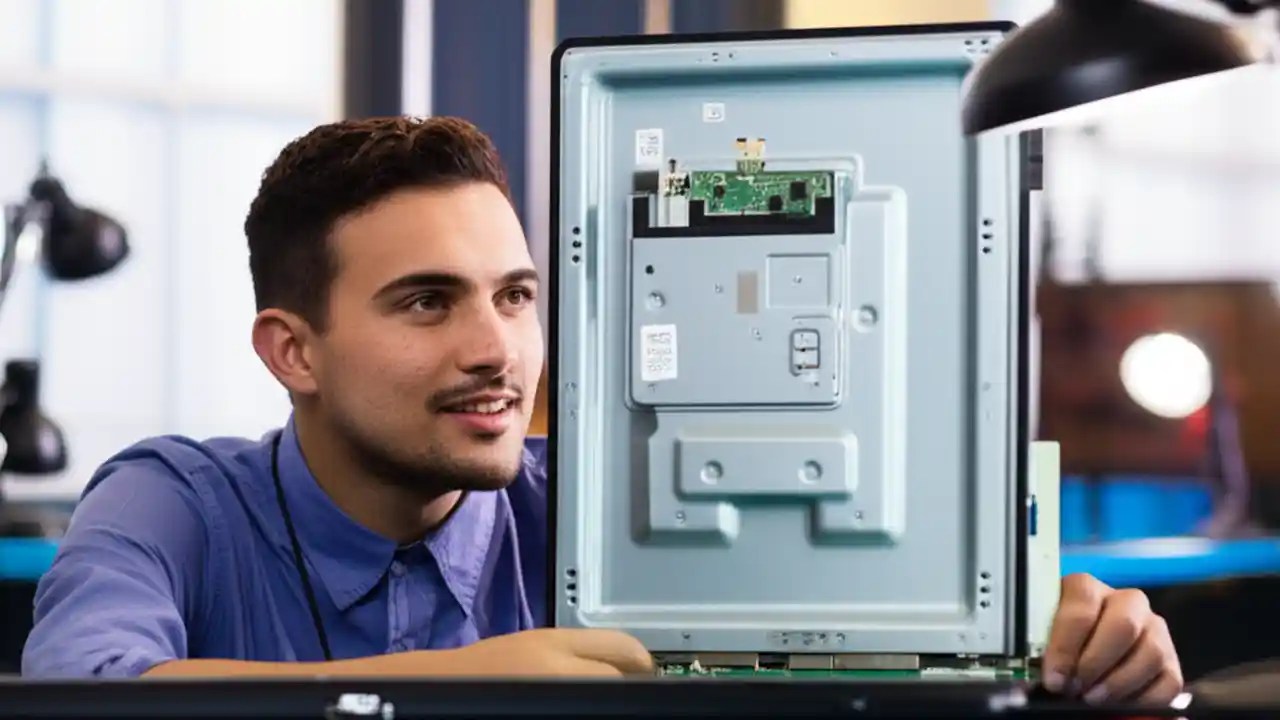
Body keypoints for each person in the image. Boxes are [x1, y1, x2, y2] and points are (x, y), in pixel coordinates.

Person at [22, 116, 1182, 704]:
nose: (497, 351)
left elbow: (888, 639)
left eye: (514, 296)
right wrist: (471, 686)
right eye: (427, 303)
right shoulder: (173, 497)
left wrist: (1079, 638)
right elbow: (82, 695)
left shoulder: (609, 511)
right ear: (293, 351)